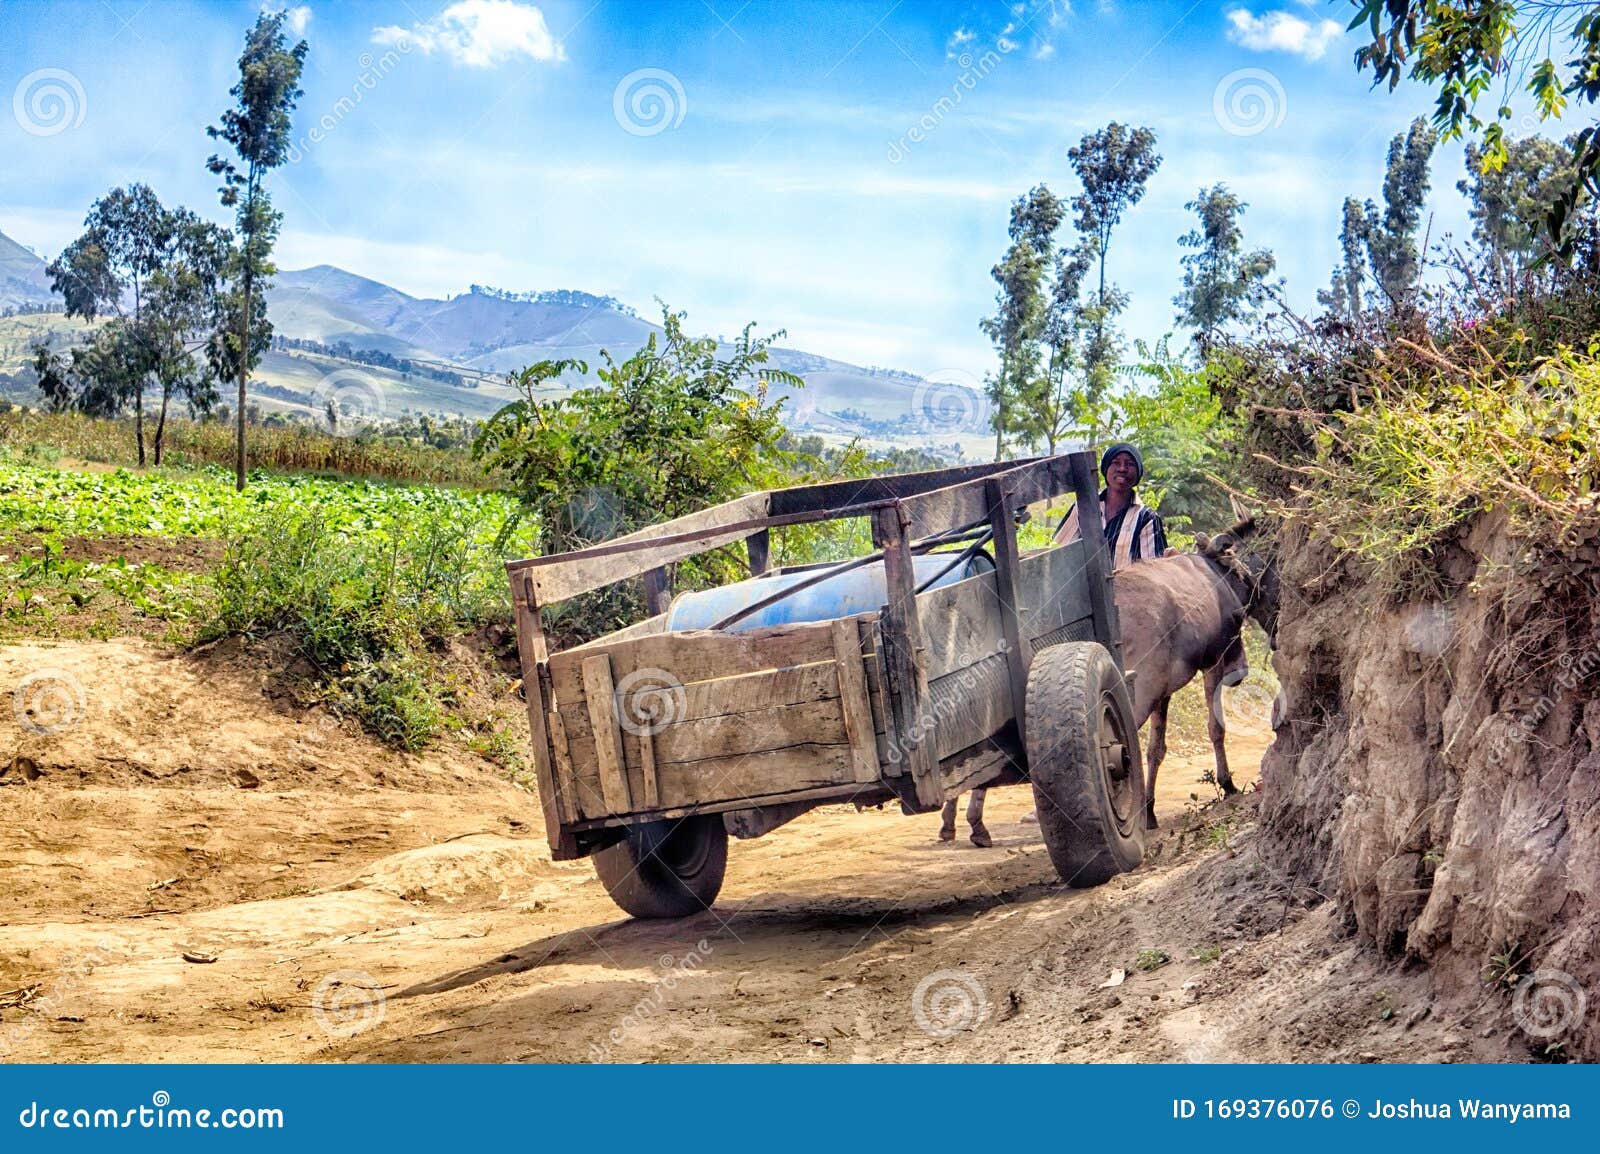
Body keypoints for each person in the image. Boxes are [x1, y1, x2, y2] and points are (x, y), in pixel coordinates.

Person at [1052, 441, 1170, 566]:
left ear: (1138, 473)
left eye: (1130, 464)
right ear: (1106, 468)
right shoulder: (1084, 508)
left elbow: (1153, 570)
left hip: (1128, 585)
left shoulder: (1146, 518)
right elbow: (1060, 550)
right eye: (1115, 463)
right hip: (1082, 584)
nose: (1122, 469)